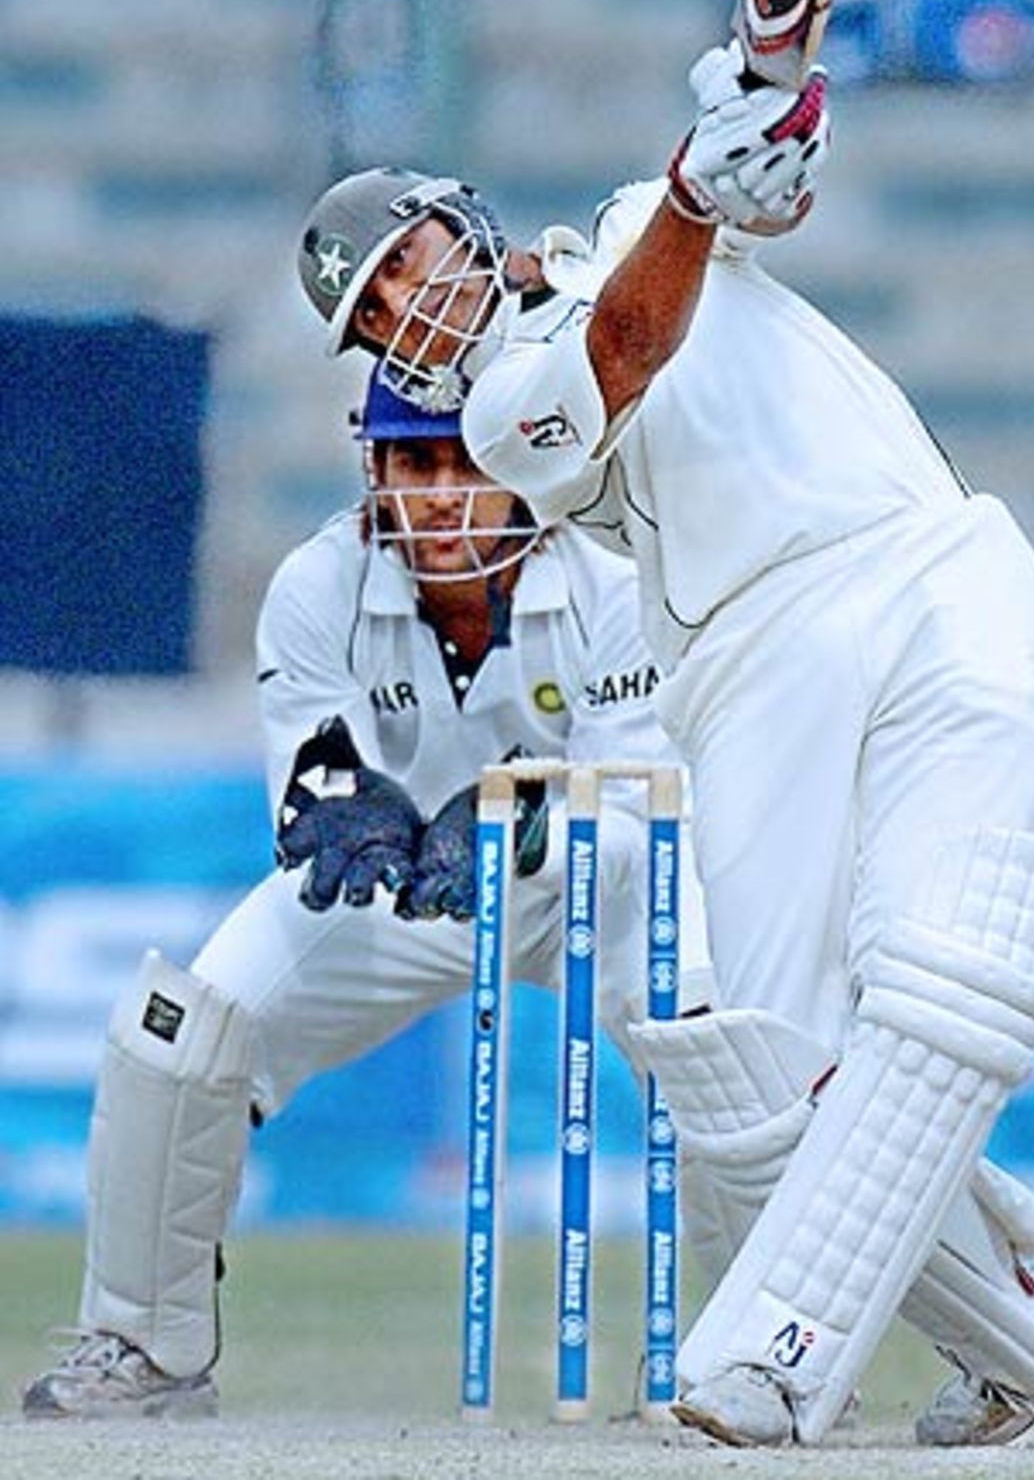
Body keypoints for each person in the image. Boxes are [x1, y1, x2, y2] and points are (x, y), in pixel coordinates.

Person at [288, 41, 1034, 1449]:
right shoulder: (507, 418)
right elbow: (627, 343)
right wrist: (700, 188)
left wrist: (767, 128)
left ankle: (782, 1354)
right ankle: (1032, 1291)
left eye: (404, 255)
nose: (407, 300)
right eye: (375, 310)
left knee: (954, 963)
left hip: (940, 555)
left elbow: (768, 201)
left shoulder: (643, 213)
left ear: (464, 215)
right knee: (782, 1067)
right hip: (755, 650)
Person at [21, 366, 709, 1420]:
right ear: (373, 469)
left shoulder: (614, 585)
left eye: (470, 464)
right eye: (414, 463)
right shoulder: (318, 583)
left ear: (526, 467)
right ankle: (144, 1348)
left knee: (728, 1040)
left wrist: (520, 830)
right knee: (178, 1033)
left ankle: (743, 1357)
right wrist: (349, 810)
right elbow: (311, 786)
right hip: (397, 890)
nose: (441, 495)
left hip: (580, 888)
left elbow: (636, 822)